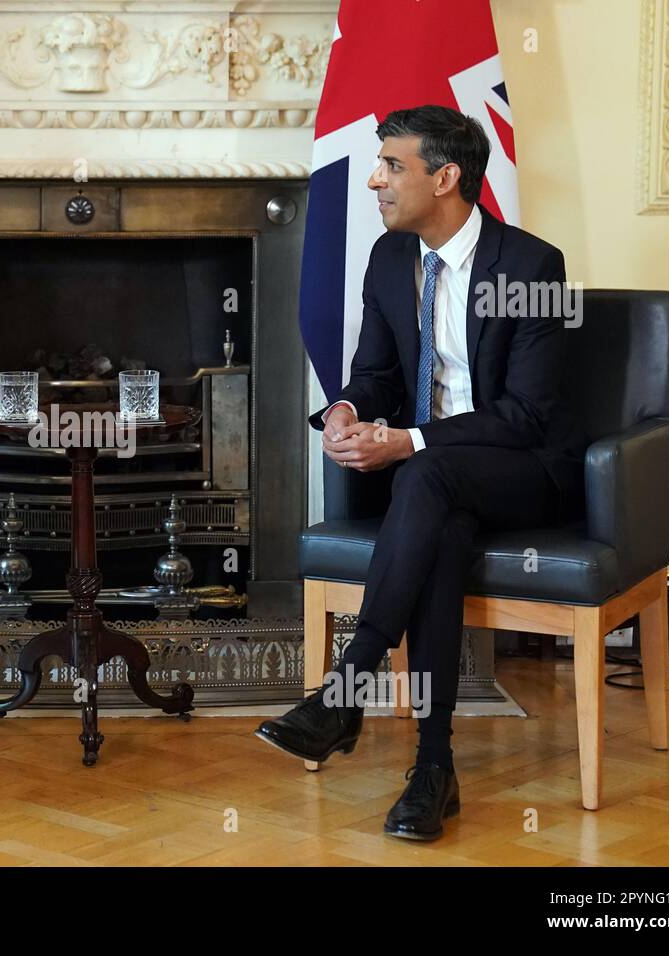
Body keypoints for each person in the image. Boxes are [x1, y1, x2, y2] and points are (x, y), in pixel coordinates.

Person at [257, 105, 588, 840]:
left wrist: (408, 440)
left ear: (445, 178)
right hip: (439, 481)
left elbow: (528, 414)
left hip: (527, 468)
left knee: (426, 477)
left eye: (392, 166)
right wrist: (344, 409)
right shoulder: (389, 257)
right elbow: (373, 372)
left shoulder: (534, 266)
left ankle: (349, 683)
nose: (373, 179)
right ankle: (432, 769)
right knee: (437, 512)